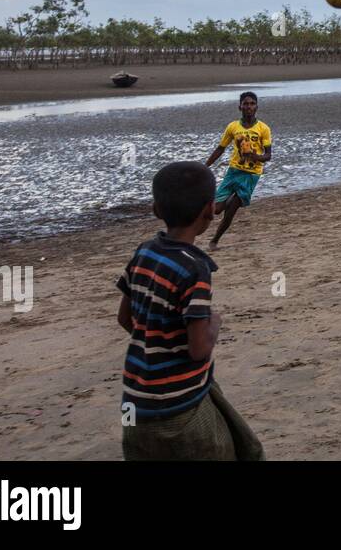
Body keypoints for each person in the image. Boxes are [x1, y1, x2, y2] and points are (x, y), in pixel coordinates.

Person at [116, 161, 264, 460]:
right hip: (181, 409)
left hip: (134, 406)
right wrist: (214, 323)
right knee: (247, 452)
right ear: (210, 210)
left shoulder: (143, 251)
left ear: (156, 209)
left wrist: (158, 341)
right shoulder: (195, 268)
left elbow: (125, 318)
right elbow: (198, 349)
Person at [204, 91, 272, 247]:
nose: (249, 107)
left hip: (251, 175)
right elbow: (220, 149)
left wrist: (254, 155)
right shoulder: (233, 127)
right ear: (239, 107)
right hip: (234, 171)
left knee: (231, 211)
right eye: (245, 104)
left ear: (257, 107)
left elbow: (268, 156)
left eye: (252, 104)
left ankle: (215, 240)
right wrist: (204, 166)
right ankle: (227, 200)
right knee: (216, 210)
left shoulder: (263, 129)